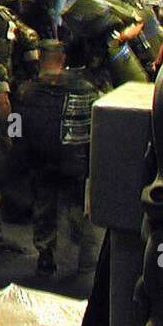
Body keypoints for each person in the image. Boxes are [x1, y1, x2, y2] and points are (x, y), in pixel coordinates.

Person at [14, 40, 101, 275]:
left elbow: (15, 127)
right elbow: (97, 126)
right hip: (74, 160)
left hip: (41, 161)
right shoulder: (85, 88)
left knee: (44, 205)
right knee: (76, 205)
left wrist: (20, 155)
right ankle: (82, 255)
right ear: (62, 59)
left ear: (40, 59)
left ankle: (45, 254)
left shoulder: (25, 91)